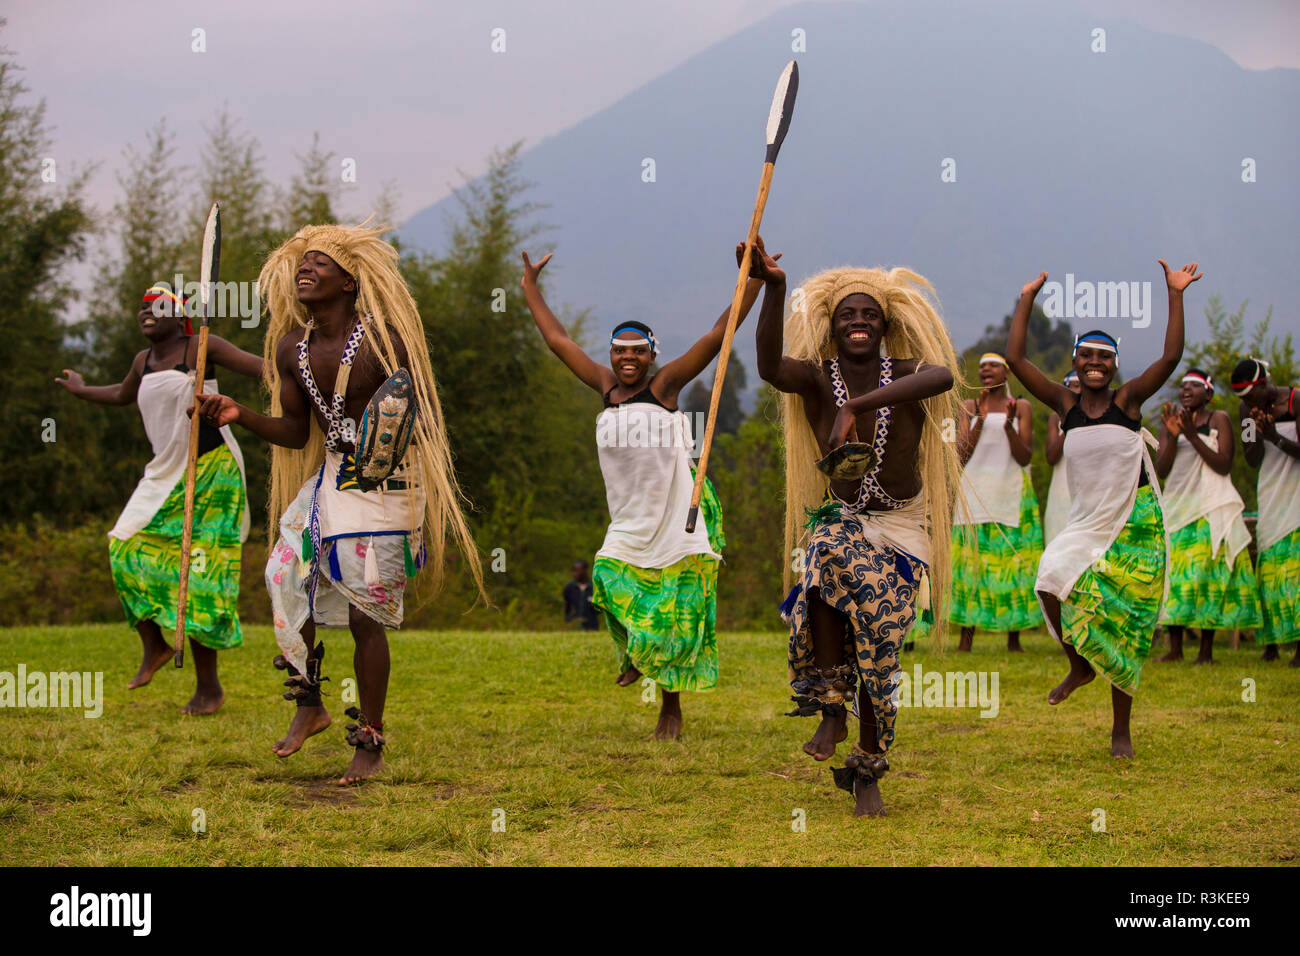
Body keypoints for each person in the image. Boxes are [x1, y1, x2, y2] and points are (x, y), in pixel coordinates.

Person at [196, 223, 485, 783]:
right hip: (332, 478)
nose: (305, 270)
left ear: (350, 282)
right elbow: (292, 431)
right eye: (301, 263)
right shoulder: (290, 349)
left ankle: (370, 741)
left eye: (320, 264)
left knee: (363, 613)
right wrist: (239, 415)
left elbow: (412, 413)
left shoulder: (387, 340)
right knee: (283, 574)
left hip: (389, 484)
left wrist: (385, 447)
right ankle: (310, 700)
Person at [519, 243, 764, 740]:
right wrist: (528, 287)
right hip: (630, 520)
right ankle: (634, 651)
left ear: (652, 355)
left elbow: (719, 334)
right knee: (607, 579)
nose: (628, 359)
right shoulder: (604, 387)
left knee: (673, 612)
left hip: (676, 513)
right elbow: (556, 339)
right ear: (611, 355)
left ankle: (669, 709)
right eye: (620, 352)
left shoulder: (666, 387)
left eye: (637, 352)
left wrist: (752, 277)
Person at [757, 246, 961, 817]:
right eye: (848, 315)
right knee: (821, 550)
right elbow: (770, 368)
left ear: (885, 324)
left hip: (902, 526)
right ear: (832, 323)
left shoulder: (913, 374)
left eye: (869, 314)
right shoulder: (818, 379)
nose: (859, 322)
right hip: (846, 522)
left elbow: (944, 374)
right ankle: (829, 702)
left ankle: (867, 767)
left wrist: (859, 406)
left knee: (879, 644)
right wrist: (775, 288)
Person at [1007, 260, 1200, 758]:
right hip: (1087, 524)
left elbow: (1171, 356)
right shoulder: (1063, 405)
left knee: (1127, 625)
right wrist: (1027, 298)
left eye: (1104, 357)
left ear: (1114, 365)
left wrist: (1174, 294)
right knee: (1049, 576)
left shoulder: (1130, 401)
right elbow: (1016, 359)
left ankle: (1121, 731)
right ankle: (1079, 664)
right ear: (1076, 363)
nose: (1095, 363)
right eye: (1086, 356)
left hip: (1137, 525)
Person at [56, 285, 261, 713]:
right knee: (123, 543)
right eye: (142, 308)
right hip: (166, 472)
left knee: (201, 579)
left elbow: (265, 369)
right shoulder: (142, 361)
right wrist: (80, 389)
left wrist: (302, 356)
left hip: (211, 471)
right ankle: (154, 645)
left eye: (158, 307)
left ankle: (209, 690)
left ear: (181, 315)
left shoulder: (202, 347)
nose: (146, 313)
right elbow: (119, 394)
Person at [1154, 368, 1260, 663]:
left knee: (1206, 578)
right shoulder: (1171, 421)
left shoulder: (1219, 419)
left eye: (1194, 386)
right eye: (1183, 386)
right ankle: (1174, 648)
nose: (1186, 390)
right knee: (1176, 578)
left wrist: (1192, 435)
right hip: (1179, 507)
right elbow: (1161, 470)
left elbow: (1224, 464)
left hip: (1209, 505)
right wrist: (1174, 437)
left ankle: (1205, 651)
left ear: (1208, 394)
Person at [951, 352, 1044, 651]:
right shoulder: (968, 406)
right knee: (972, 567)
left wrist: (1007, 427)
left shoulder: (1022, 408)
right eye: (981, 367)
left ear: (1007, 374)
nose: (985, 370)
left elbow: (1026, 456)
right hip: (975, 494)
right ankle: (966, 640)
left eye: (992, 365)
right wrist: (978, 419)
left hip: (1012, 492)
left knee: (1012, 564)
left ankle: (1013, 639)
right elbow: (961, 455)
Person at [1231, 358, 1300, 665]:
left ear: (1264, 384)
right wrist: (1257, 432)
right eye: (1242, 398)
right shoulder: (1247, 411)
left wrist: (1274, 435)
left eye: (1250, 394)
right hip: (1271, 492)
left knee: (1295, 570)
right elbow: (1251, 458)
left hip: (1296, 493)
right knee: (1270, 566)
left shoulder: (1296, 400)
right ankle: (1271, 644)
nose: (1247, 402)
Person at [1043, 371, 1081, 545]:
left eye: (1080, 386)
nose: (1078, 390)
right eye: (1073, 386)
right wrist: (1070, 424)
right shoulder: (1055, 419)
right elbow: (1051, 457)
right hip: (1061, 495)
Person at [563, 559, 600, 630]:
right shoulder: (569, 588)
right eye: (573, 571)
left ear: (585, 570)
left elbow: (599, 609)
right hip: (573, 627)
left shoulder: (594, 587)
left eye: (577, 571)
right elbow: (567, 608)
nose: (574, 573)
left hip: (592, 626)